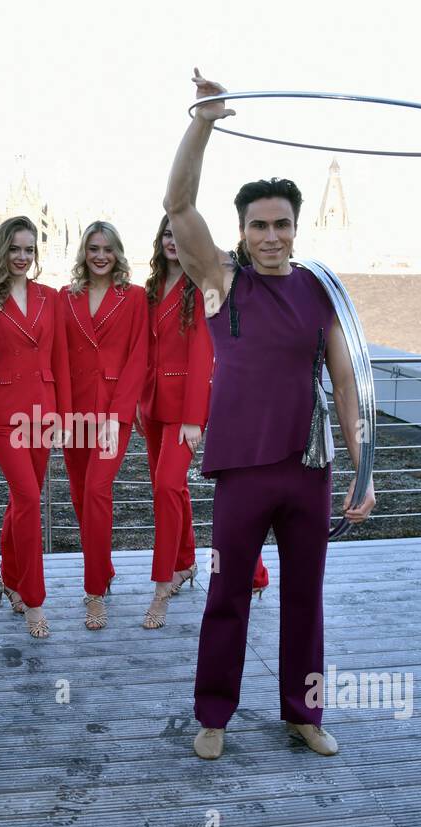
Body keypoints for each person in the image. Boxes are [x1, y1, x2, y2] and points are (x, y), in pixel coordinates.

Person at [163, 68, 376, 760]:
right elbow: (177, 203)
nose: (272, 235)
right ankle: (214, 715)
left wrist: (362, 466)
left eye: (282, 223)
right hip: (242, 471)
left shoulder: (320, 289)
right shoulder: (223, 282)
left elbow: (345, 382)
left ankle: (303, 713)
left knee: (305, 596)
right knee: (228, 592)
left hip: (308, 469)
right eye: (260, 225)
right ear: (242, 231)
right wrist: (206, 120)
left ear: (296, 226)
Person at [136, 216, 271, 629]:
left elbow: (201, 354)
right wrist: (141, 404)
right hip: (154, 406)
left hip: (185, 410)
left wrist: (194, 418)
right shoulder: (150, 289)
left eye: (180, 236)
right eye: (166, 234)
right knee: (172, 489)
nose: (172, 241)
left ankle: (162, 586)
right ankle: (185, 563)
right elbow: (144, 351)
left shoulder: (202, 290)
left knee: (166, 486)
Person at [0, 216, 72, 639]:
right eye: (15, 249)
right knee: (29, 498)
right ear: (1, 251)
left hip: (44, 414)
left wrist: (63, 416)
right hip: (4, 417)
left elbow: (61, 360)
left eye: (29, 250)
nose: (22, 257)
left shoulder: (51, 298)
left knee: (21, 502)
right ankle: (33, 599)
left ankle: (8, 578)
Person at [59, 222, 150, 630]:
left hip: (113, 410)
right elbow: (57, 357)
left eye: (107, 249)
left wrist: (119, 414)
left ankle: (94, 591)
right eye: (93, 248)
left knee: (97, 491)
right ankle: (105, 567)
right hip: (74, 411)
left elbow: (138, 358)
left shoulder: (134, 298)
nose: (100, 256)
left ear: (118, 253)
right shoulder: (67, 297)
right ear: (84, 252)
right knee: (81, 498)